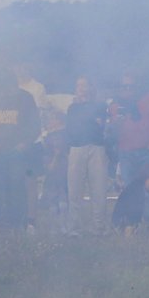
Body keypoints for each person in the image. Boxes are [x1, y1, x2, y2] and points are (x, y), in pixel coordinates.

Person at [62, 77, 109, 235]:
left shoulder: (100, 105)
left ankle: (99, 227)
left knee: (99, 188)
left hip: (96, 148)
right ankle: (74, 227)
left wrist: (89, 120)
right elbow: (71, 128)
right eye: (78, 85)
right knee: (74, 189)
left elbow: (99, 124)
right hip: (76, 148)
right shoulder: (72, 108)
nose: (80, 88)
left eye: (83, 85)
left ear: (91, 87)